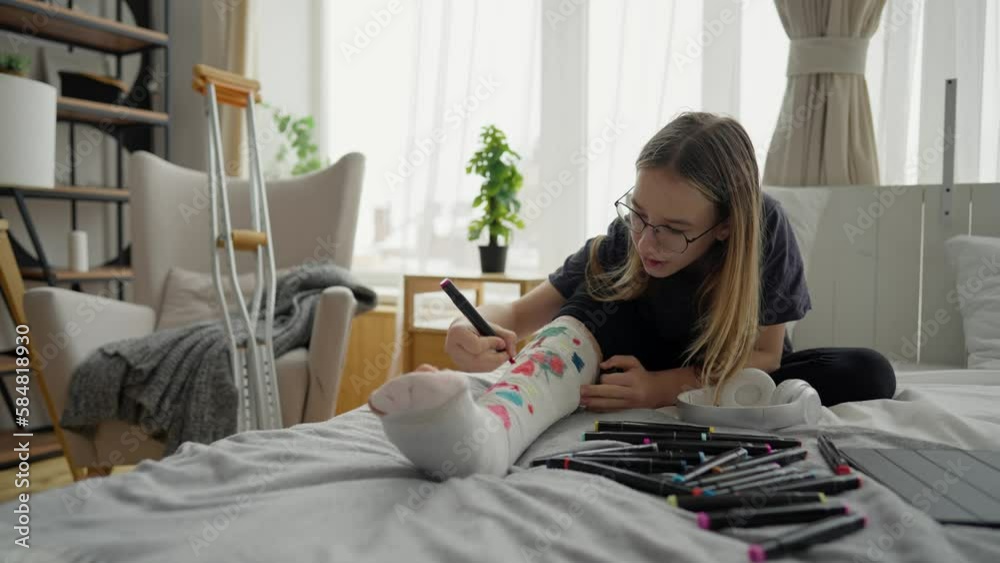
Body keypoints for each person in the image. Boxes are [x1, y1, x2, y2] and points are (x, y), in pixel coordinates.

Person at [368, 112, 896, 478]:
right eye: (639, 214)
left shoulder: (766, 230)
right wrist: (469, 326)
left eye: (672, 228)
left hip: (711, 366)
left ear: (726, 227)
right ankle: (480, 438)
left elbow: (764, 354)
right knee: (576, 323)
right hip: (614, 352)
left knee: (869, 373)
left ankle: (503, 414)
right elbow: (520, 311)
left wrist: (659, 389)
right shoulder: (628, 241)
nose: (647, 241)